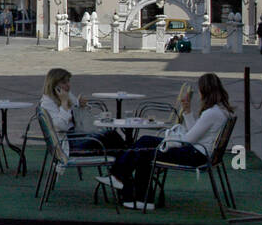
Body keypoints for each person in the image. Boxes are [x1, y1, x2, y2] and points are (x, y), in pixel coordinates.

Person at [100, 72, 234, 210]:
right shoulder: (221, 111)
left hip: (195, 154)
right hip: (200, 152)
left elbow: (189, 139)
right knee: (145, 141)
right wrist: (187, 111)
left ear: (204, 91)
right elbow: (195, 133)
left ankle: (137, 194)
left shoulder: (211, 113)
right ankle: (119, 177)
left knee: (145, 152)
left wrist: (171, 140)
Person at [39, 68, 124, 156]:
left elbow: (80, 112)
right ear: (54, 85)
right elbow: (62, 126)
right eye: (64, 83)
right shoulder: (47, 103)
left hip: (78, 135)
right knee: (109, 137)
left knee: (111, 138)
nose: (68, 85)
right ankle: (127, 158)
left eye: (68, 81)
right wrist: (64, 104)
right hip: (67, 143)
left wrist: (80, 104)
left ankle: (126, 158)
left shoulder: (67, 95)